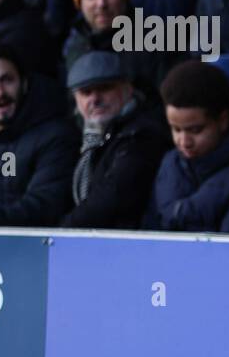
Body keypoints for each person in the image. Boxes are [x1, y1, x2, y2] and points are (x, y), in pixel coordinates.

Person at [146, 59, 229, 233]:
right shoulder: (171, 161)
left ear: (223, 120)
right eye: (176, 129)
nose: (184, 141)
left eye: (195, 130)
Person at [0, 40, 77, 226]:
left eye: (7, 80)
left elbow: (42, 208)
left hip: (39, 253)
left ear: (24, 84)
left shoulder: (56, 137)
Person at [61, 49, 170, 228]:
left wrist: (62, 231)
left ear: (128, 88)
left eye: (104, 88)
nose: (94, 99)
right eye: (86, 92)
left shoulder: (143, 135)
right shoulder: (80, 137)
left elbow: (111, 199)